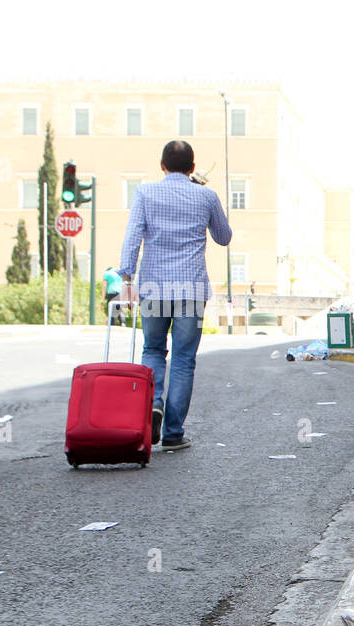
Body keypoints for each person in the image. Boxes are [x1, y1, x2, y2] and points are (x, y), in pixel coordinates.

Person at [119, 140, 231, 451]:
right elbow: (224, 237)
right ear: (193, 168)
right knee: (183, 359)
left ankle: (153, 404)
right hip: (191, 289)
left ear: (162, 165)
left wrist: (126, 272)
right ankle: (173, 433)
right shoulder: (206, 196)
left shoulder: (145, 193)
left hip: (154, 286)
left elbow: (133, 234)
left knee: (153, 350)